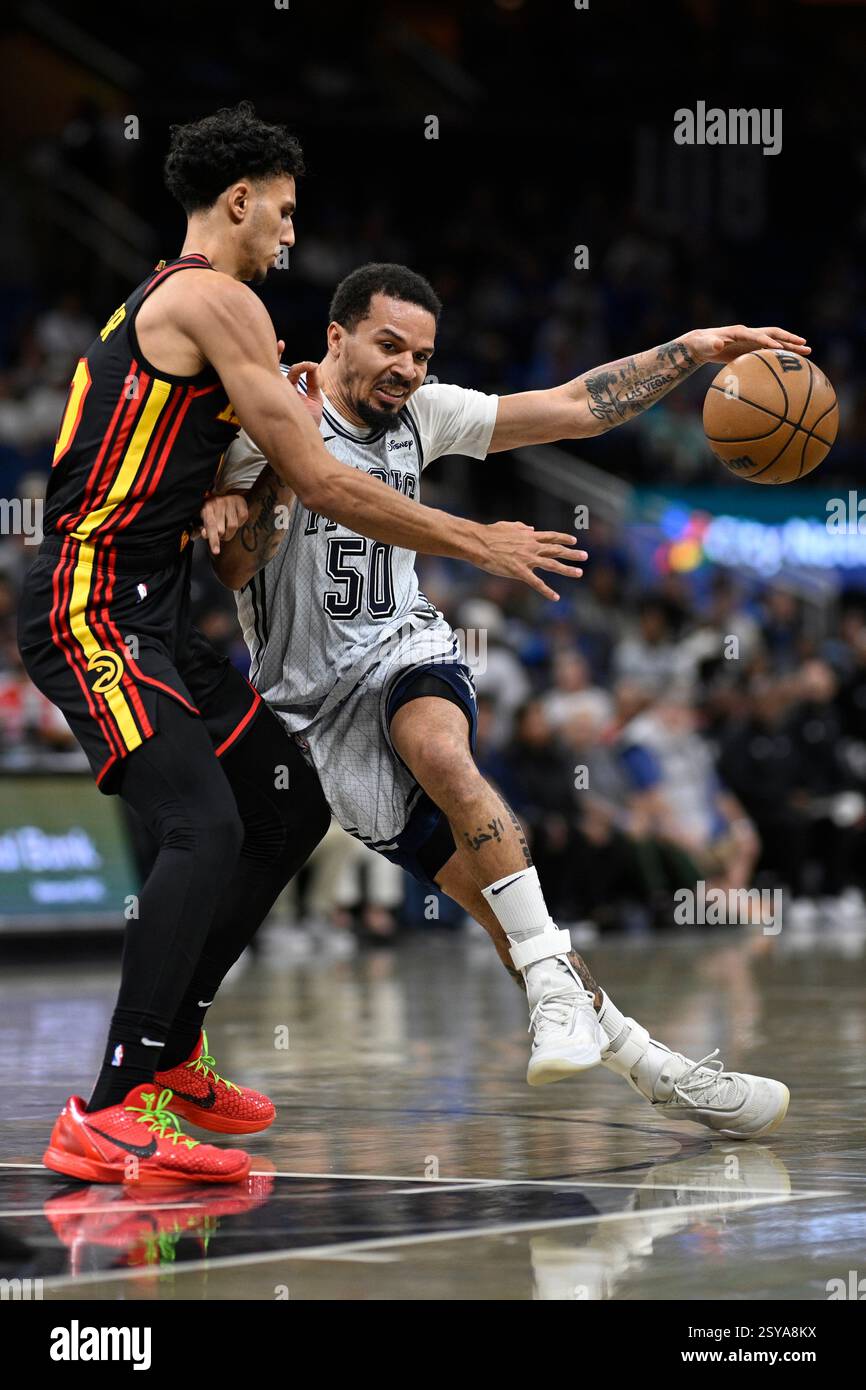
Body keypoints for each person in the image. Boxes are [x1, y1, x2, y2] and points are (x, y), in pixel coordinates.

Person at [17, 107, 580, 1187]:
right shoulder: (214, 295)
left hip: (157, 609)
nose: (288, 230)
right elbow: (326, 480)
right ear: (238, 200)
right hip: (92, 602)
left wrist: (236, 489)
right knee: (201, 822)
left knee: (284, 796)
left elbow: (245, 469)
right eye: (281, 208)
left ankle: (175, 1054)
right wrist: (477, 538)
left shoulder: (186, 305)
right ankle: (109, 1103)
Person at [204, 261, 805, 1137]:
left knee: (442, 752)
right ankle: (656, 1066)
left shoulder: (425, 415)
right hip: (314, 712)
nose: (409, 368)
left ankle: (570, 1005)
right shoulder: (264, 424)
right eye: (389, 346)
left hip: (405, 647)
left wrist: (691, 350)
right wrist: (267, 484)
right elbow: (231, 566)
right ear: (335, 337)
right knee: (510, 918)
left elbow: (573, 406)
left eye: (422, 353)